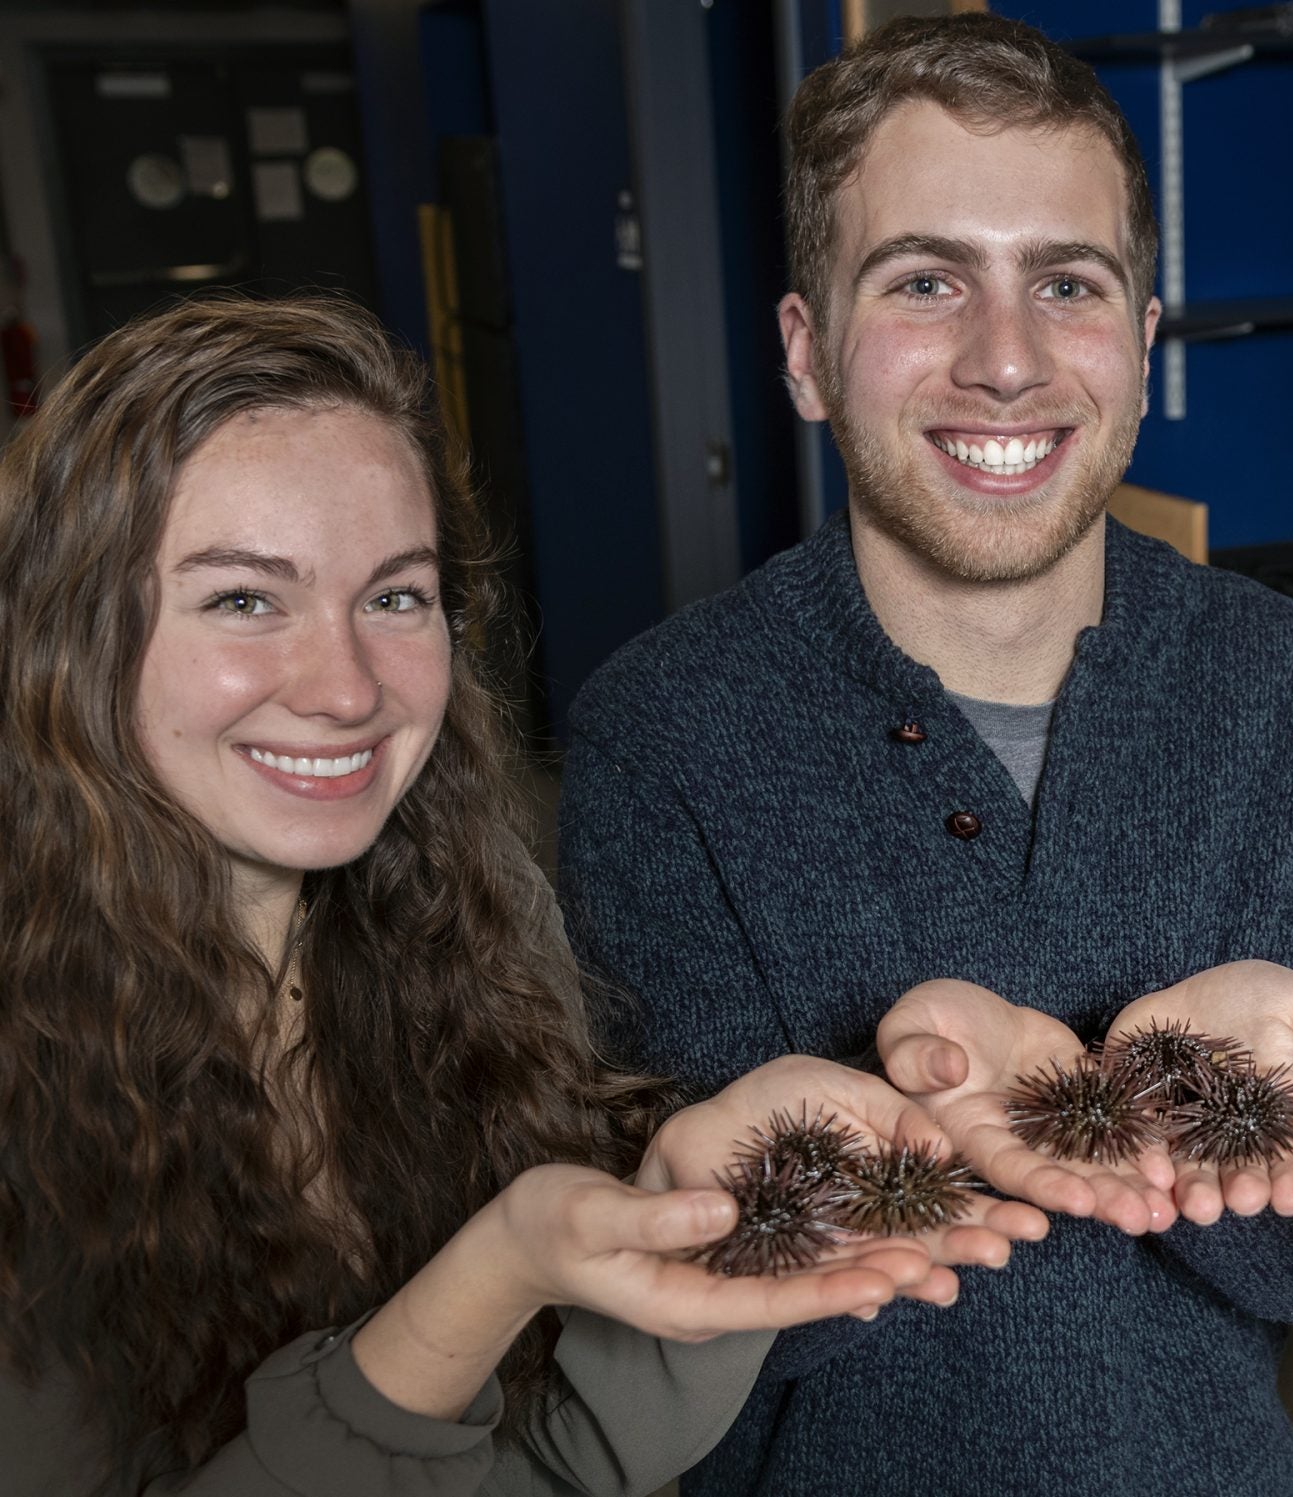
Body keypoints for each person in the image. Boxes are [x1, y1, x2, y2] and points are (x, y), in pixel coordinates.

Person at [0, 293, 1044, 1496]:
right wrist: (488, 1276)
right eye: (244, 598)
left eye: (394, 596)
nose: (345, 690)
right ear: (73, 632)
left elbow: (556, 1461)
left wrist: (704, 1203)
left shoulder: (468, 915)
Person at [557, 14, 1293, 1496]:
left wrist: (1173, 1094)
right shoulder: (657, 735)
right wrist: (909, 1141)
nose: (1005, 361)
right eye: (928, 281)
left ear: (1136, 348)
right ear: (807, 353)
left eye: (1066, 284)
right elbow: (675, 1314)